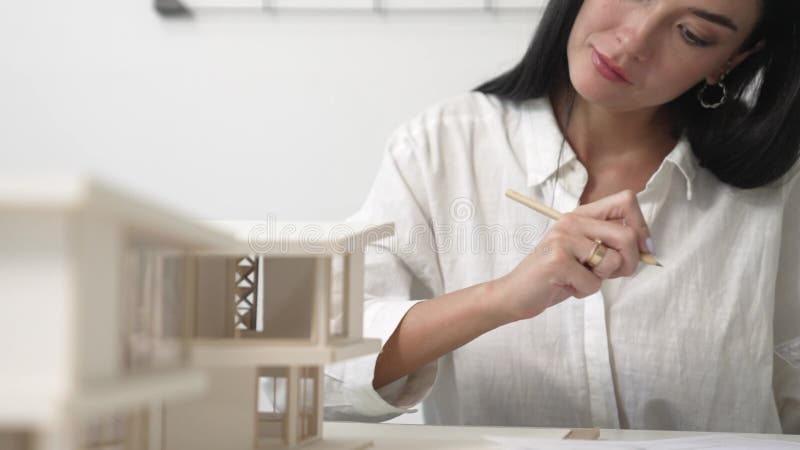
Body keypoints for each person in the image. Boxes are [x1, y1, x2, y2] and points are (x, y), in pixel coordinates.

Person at [324, 0, 800, 433]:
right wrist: (500, 299)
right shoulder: (440, 148)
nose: (633, 41)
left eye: (691, 33)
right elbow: (318, 366)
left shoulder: (780, 187)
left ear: (733, 58)